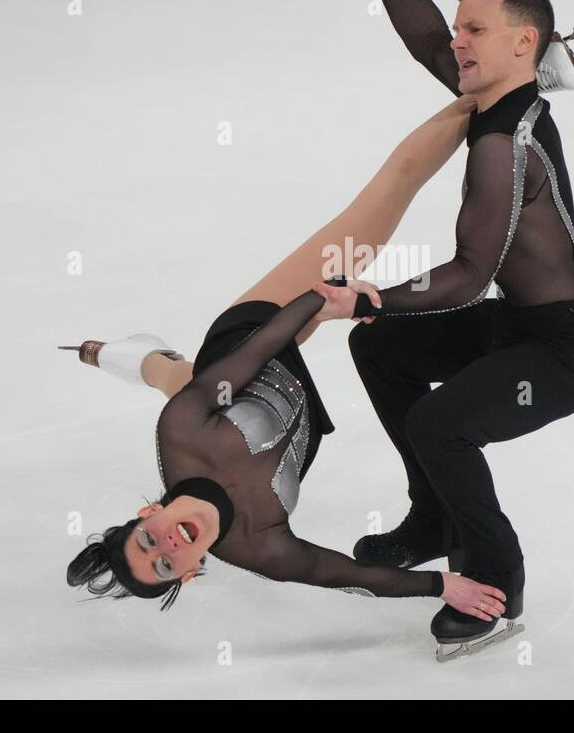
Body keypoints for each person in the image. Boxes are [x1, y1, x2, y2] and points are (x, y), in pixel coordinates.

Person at [62, 93, 511, 630]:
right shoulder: (257, 549)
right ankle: (139, 356)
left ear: (146, 514)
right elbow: (342, 573)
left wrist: (324, 296)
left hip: (254, 338)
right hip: (268, 401)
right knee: (179, 380)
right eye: (163, 564)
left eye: (146, 539)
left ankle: (496, 99)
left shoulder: (182, 433)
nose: (166, 545)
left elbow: (257, 347)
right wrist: (443, 586)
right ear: (186, 574)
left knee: (382, 202)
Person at [309, 0, 574, 660]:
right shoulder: (498, 95)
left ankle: (496, 584)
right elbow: (422, 40)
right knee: (381, 352)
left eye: (473, 28)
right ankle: (434, 517)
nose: (457, 40)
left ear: (525, 44)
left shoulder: (502, 145)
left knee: (439, 423)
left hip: (562, 350)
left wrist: (370, 297)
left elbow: (470, 272)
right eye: (459, 27)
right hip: (515, 326)